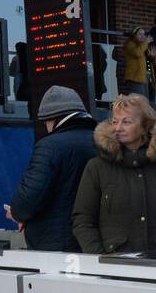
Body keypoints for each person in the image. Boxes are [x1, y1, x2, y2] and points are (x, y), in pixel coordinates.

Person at [72, 93, 156, 254]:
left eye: (126, 122)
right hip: (111, 270)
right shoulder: (97, 168)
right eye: (115, 121)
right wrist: (99, 259)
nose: (118, 127)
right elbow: (83, 221)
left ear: (145, 126)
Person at [8, 86, 97, 252]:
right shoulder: (103, 142)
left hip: (54, 246)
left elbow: (28, 198)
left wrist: (16, 212)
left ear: (52, 119)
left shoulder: (49, 146)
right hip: (93, 242)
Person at [116, 27, 153, 98]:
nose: (142, 36)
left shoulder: (142, 46)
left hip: (143, 78)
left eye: (143, 34)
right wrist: (145, 43)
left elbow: (153, 61)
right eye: (140, 34)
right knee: (138, 101)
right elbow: (137, 53)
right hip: (134, 78)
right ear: (134, 35)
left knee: (144, 101)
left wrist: (153, 56)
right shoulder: (130, 44)